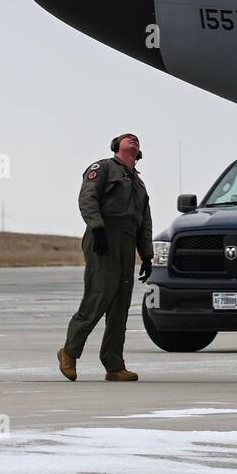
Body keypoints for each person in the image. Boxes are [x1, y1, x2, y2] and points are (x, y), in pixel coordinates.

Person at [58, 133, 153, 382]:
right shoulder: (103, 168)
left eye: (137, 139)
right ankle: (69, 351)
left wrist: (147, 256)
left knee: (120, 305)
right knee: (99, 296)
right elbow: (87, 198)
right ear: (116, 146)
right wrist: (97, 228)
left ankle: (114, 364)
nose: (133, 140)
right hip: (104, 237)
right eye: (127, 138)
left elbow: (144, 222)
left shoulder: (139, 184)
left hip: (127, 241)